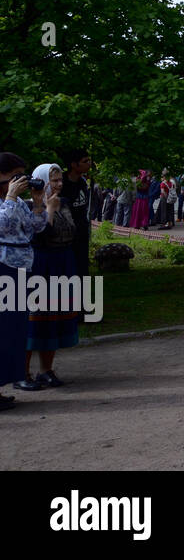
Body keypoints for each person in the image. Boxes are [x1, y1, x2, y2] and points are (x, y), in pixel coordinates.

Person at [20, 162, 81, 390]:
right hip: (40, 265)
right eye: (54, 180)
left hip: (62, 262)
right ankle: (22, 372)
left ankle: (46, 369)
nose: (59, 184)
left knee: (53, 319)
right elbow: (39, 235)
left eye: (60, 180)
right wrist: (49, 210)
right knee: (33, 320)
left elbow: (72, 231)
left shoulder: (63, 202)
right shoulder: (27, 206)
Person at [0, 153, 51, 410]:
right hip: (3, 269)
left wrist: (38, 202)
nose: (21, 180)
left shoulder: (19, 202)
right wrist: (9, 197)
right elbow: (3, 226)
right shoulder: (9, 201)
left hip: (21, 269)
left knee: (14, 332)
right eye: (16, 175)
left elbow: (36, 227)